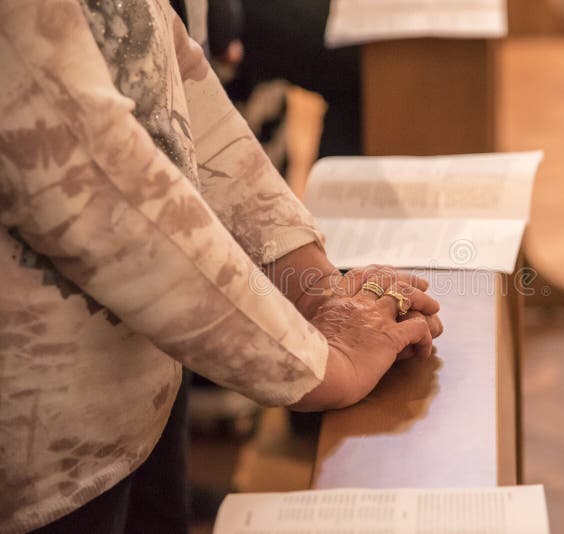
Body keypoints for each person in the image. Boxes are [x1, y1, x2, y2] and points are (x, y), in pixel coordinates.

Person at [0, 1, 442, 532]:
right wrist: (321, 364)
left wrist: (315, 289)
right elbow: (98, 185)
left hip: (144, 385)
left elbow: (165, 72)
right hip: (44, 447)